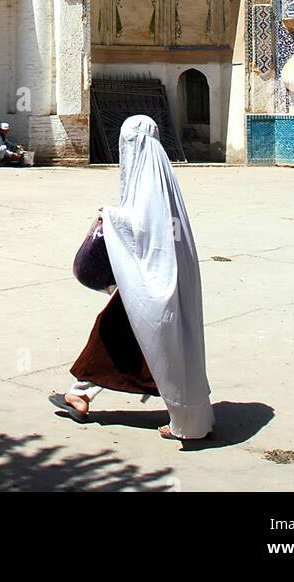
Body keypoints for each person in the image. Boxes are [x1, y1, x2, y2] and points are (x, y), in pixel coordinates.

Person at [49, 114, 214, 442]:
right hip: (156, 278)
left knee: (114, 333)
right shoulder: (161, 174)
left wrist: (109, 216)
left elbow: (144, 225)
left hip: (150, 283)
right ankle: (83, 394)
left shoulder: (150, 177)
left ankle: (81, 395)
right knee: (146, 344)